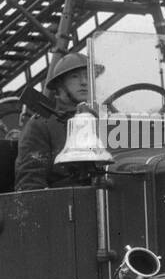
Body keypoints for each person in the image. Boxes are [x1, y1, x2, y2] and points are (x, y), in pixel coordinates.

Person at [14, 52, 102, 192]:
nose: (84, 81)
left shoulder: (104, 118)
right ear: (59, 85)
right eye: (75, 76)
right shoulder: (41, 125)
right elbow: (30, 186)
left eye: (88, 75)